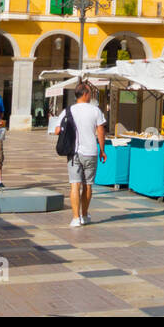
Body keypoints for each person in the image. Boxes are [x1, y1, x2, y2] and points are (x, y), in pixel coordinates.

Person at [62, 82, 107, 227]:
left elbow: (57, 129)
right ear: (86, 94)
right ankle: (85, 215)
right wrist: (102, 150)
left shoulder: (68, 110)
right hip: (90, 152)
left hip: (73, 152)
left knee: (74, 185)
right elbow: (100, 131)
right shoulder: (95, 111)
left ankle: (75, 218)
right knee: (87, 185)